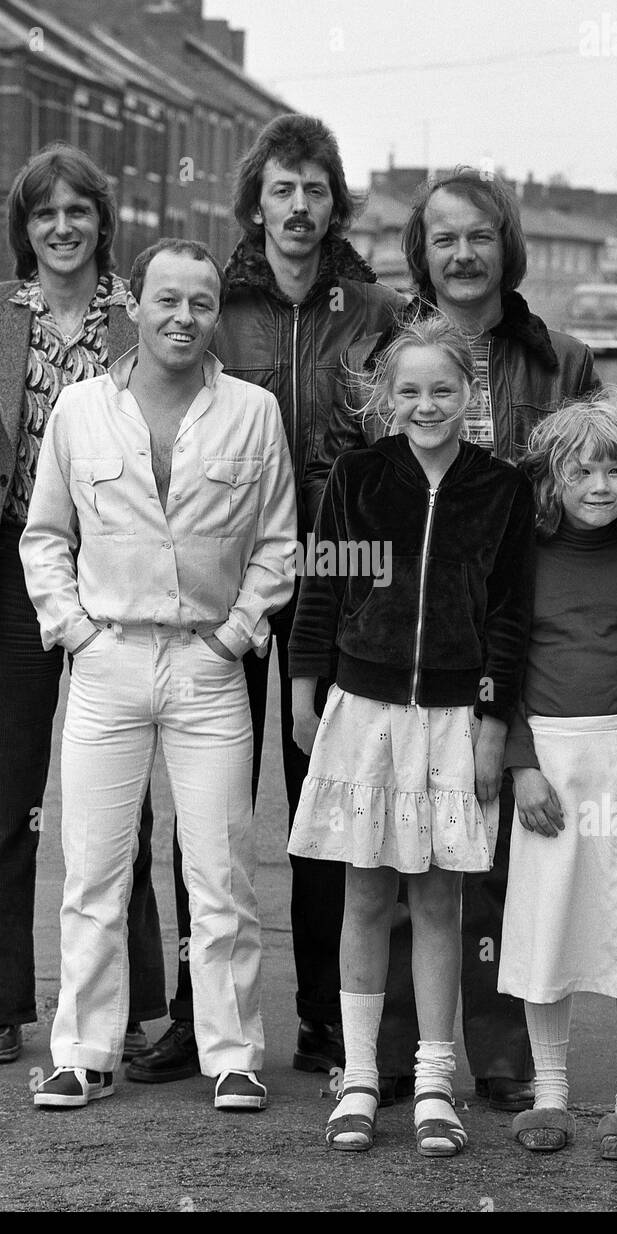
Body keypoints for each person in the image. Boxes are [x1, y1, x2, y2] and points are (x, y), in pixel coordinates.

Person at [311, 166, 600, 1113]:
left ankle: (494, 1052)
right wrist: (316, 669)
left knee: (480, 864)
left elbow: (606, 479)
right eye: (444, 238)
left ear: (505, 243)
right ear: (421, 255)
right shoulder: (378, 391)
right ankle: (384, 1056)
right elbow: (336, 561)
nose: (464, 253)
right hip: (383, 671)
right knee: (382, 865)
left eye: (479, 235)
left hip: (507, 645)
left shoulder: (555, 357)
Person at [127, 113, 401, 1087]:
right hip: (228, 574)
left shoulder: (372, 312)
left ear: (336, 203)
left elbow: (405, 440)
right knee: (210, 803)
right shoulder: (218, 304)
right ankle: (200, 1018)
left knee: (327, 802)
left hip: (345, 575)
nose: (297, 207)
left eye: (315, 189)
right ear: (256, 200)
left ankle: (330, 1020)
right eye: (281, 189)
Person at [20, 238, 295, 1112]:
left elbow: (278, 544)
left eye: (202, 303)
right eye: (166, 300)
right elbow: (44, 537)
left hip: (209, 666)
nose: (184, 317)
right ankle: (82, 1051)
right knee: (95, 869)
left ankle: (234, 1053)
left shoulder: (254, 412)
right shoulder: (79, 410)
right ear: (131, 305)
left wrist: (237, 637)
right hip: (108, 664)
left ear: (218, 313)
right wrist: (75, 633)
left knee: (222, 870)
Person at [289, 315, 534, 1157]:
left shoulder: (501, 489)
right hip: (365, 710)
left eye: (443, 389)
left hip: (456, 719)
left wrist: (494, 722)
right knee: (365, 892)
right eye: (410, 390)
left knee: (438, 898)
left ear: (471, 394)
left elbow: (508, 618)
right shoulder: (358, 477)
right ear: (385, 398)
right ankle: (359, 1075)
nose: (426, 404)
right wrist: (301, 685)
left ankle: (434, 1079)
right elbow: (321, 588)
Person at [0, 144, 166, 1065]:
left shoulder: (137, 314)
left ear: (101, 222)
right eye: (45, 213)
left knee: (128, 807)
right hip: (12, 573)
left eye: (79, 211)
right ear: (24, 227)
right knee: (5, 793)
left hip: (117, 575)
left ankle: (138, 1001)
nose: (63, 227)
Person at [498, 386, 617, 1160]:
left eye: (613, 470)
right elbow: (498, 664)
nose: (598, 486)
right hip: (548, 766)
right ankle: (550, 1092)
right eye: (580, 471)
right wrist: (519, 765)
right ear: (550, 480)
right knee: (549, 925)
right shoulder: (523, 559)